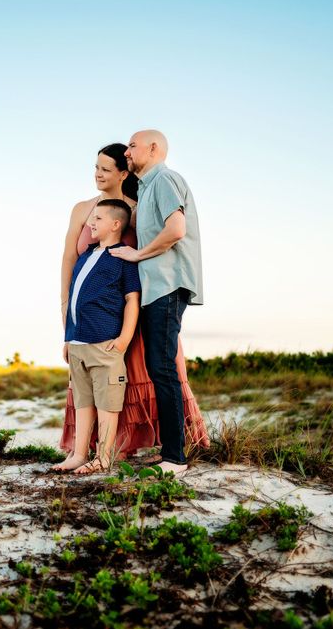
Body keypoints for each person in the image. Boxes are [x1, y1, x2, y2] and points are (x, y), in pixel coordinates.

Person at [54, 144, 208, 472]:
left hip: (133, 310)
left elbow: (164, 245)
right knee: (91, 380)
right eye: (95, 167)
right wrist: (66, 309)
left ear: (124, 173)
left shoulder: (139, 209)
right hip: (88, 317)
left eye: (105, 169)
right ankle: (91, 451)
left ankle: (148, 448)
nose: (97, 174)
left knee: (144, 373)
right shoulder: (83, 210)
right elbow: (69, 260)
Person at [110, 130, 204, 476]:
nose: (127, 151)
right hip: (156, 287)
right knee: (159, 367)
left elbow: (176, 229)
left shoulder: (164, 178)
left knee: (162, 368)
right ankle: (170, 451)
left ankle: (176, 459)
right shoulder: (147, 187)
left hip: (167, 284)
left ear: (153, 149)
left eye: (132, 145)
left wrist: (138, 255)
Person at [57, 199, 141, 474]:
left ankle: (103, 457)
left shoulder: (122, 258)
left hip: (105, 344)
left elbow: (132, 299)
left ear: (116, 224)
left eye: (98, 218)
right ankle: (79, 454)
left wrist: (125, 338)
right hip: (78, 342)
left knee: (107, 403)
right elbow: (74, 297)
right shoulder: (86, 255)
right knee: (82, 402)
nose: (91, 222)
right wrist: (68, 338)